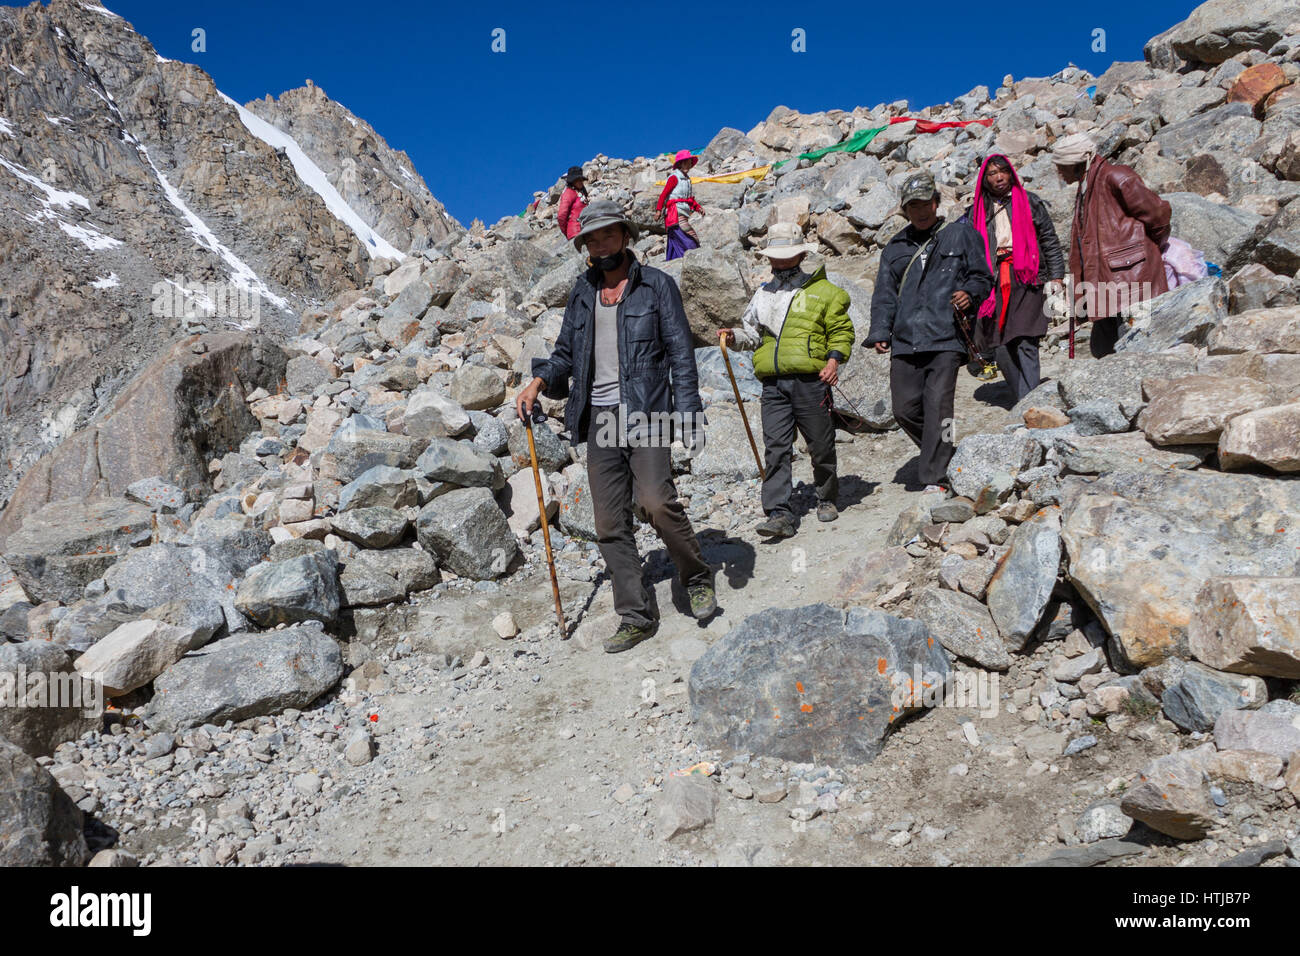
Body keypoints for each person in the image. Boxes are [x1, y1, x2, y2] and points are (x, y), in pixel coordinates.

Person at [515, 201, 717, 653]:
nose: (601, 244)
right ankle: (635, 614)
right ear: (584, 245)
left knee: (656, 501)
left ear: (625, 236)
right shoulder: (582, 293)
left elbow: (681, 354)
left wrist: (688, 413)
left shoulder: (657, 286)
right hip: (600, 417)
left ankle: (697, 577)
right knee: (608, 521)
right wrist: (538, 380)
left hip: (647, 410)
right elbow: (566, 351)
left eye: (608, 235)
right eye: (592, 238)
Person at [720, 222, 854, 539]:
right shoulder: (762, 295)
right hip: (773, 384)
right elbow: (753, 335)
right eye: (775, 256)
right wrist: (734, 336)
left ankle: (826, 496)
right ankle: (779, 512)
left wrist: (834, 359)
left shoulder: (824, 292)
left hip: (810, 380)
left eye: (785, 255)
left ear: (798, 255)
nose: (779, 262)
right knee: (776, 447)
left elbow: (841, 332)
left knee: (820, 444)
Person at [866, 170, 994, 492]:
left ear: (936, 203)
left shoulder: (961, 236)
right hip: (906, 340)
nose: (921, 211)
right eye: (913, 206)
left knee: (939, 406)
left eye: (926, 204)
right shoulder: (894, 249)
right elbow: (884, 294)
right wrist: (881, 330)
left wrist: (969, 294)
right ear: (905, 210)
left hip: (946, 337)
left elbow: (982, 276)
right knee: (903, 409)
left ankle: (935, 478)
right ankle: (945, 448)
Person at [1053, 132, 1171, 358]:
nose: (1060, 172)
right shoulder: (1086, 185)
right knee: (1104, 350)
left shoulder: (1117, 177)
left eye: (1063, 166)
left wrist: (1149, 249)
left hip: (1132, 279)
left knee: (1135, 350)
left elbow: (1158, 214)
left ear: (1079, 161)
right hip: (1105, 281)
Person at [959, 154, 1065, 401]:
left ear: (1011, 173)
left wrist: (1056, 275)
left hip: (1026, 277)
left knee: (1026, 338)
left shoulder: (1029, 202)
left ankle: (1031, 399)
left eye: (1003, 171)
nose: (999, 177)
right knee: (1001, 343)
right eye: (992, 173)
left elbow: (1048, 239)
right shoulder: (976, 211)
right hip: (993, 282)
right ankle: (1023, 396)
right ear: (984, 179)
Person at [656, 150, 705, 260]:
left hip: (683, 212)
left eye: (689, 163)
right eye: (686, 162)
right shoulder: (674, 178)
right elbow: (664, 194)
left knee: (676, 239)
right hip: (675, 213)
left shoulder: (687, 180)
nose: (688, 165)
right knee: (690, 239)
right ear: (680, 164)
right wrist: (659, 210)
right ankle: (689, 257)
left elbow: (690, 199)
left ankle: (674, 260)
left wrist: (698, 208)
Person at [556, 166, 588, 241]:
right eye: (578, 180)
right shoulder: (569, 193)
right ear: (572, 181)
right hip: (575, 233)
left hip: (584, 231)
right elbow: (561, 216)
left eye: (581, 179)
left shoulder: (579, 193)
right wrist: (566, 231)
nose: (581, 182)